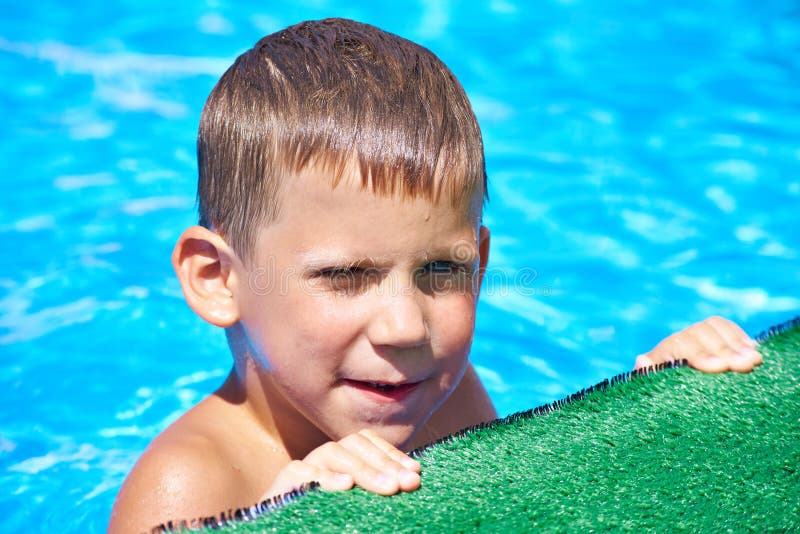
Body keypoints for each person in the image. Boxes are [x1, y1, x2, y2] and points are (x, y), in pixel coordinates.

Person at [108, 18, 762, 533]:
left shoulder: (430, 393)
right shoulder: (189, 489)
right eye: (344, 275)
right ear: (218, 279)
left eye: (442, 270)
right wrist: (276, 525)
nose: (405, 326)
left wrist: (645, 415)